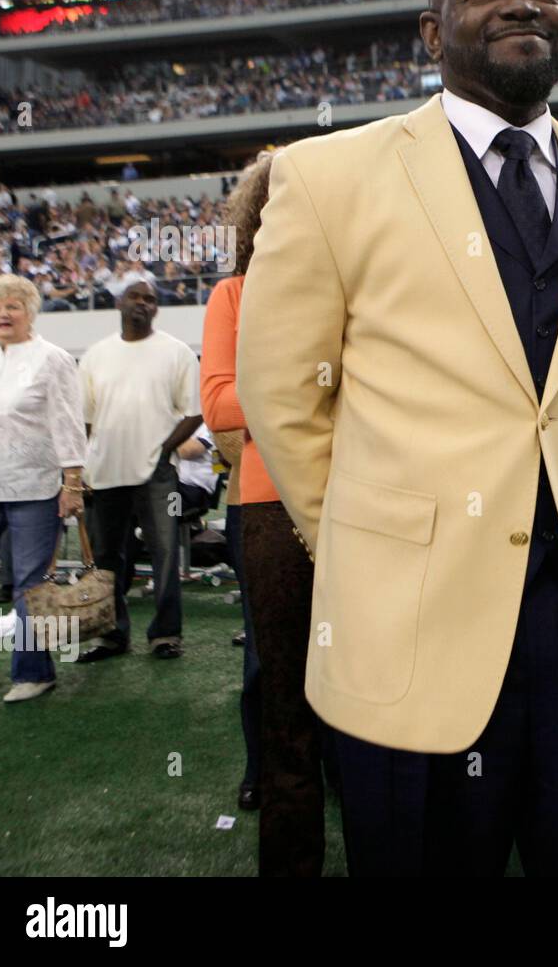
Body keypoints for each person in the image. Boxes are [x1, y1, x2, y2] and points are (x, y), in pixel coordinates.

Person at [236, 0, 558, 876]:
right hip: (414, 633)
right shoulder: (325, 179)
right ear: (432, 34)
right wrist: (378, 538)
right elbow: (284, 397)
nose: (523, 3)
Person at [202, 151, 327, 871]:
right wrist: (320, 388)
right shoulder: (234, 295)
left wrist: (274, 393)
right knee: (284, 699)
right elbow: (218, 403)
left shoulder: (353, 284)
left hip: (356, 507)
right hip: (270, 509)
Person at [77, 281, 202, 662]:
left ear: (156, 310)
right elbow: (84, 419)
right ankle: (112, 635)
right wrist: (83, 466)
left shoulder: (177, 353)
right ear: (119, 303)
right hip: (105, 470)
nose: (142, 303)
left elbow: (194, 412)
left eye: (150, 299)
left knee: (165, 553)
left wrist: (163, 450)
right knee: (106, 558)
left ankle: (164, 635)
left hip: (158, 474)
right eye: (135, 296)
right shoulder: (96, 355)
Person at [0, 275, 87, 702]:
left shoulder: (53, 359)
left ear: (30, 312)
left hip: (35, 489)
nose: (2, 314)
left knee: (29, 585)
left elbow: (67, 422)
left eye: (13, 306)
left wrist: (72, 483)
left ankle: (33, 672)